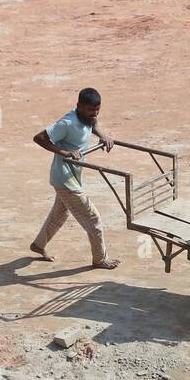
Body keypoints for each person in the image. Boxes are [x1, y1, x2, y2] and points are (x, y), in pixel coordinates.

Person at [29, 87, 120, 269]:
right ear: (78, 106)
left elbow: (92, 124)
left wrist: (103, 136)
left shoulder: (88, 117)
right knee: (93, 219)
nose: (94, 113)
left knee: (60, 213)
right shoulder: (67, 123)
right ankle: (100, 259)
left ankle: (38, 245)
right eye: (89, 110)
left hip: (73, 175)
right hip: (65, 179)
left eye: (97, 110)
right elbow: (39, 138)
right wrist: (64, 152)